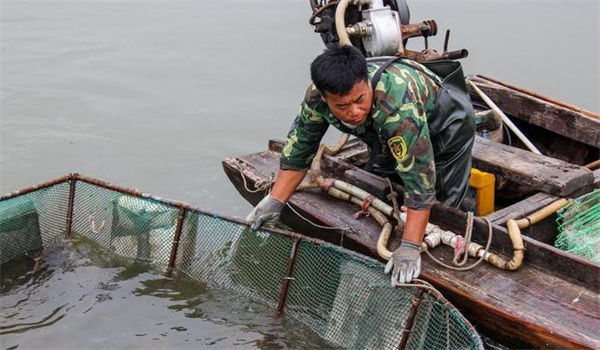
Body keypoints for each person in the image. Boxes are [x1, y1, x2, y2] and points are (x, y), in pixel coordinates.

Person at [246, 45, 475, 286]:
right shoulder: (316, 97)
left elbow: (419, 181)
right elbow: (299, 151)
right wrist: (275, 201)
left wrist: (409, 247)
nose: (354, 112)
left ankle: (455, 223)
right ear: (325, 98)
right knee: (381, 177)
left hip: (447, 123)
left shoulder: (397, 107)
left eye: (359, 100)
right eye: (342, 107)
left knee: (443, 200)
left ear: (367, 84)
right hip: (381, 126)